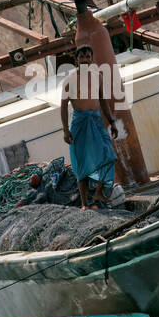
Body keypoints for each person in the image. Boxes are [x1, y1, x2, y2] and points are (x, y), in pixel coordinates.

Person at [61, 43, 118, 209]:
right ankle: (85, 203)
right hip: (79, 122)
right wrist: (65, 130)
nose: (85, 59)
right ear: (76, 59)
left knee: (109, 155)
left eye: (88, 56)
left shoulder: (97, 76)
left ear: (92, 59)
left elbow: (103, 101)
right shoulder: (69, 80)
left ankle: (99, 191)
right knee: (81, 161)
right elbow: (63, 106)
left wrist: (112, 121)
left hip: (96, 120)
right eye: (81, 57)